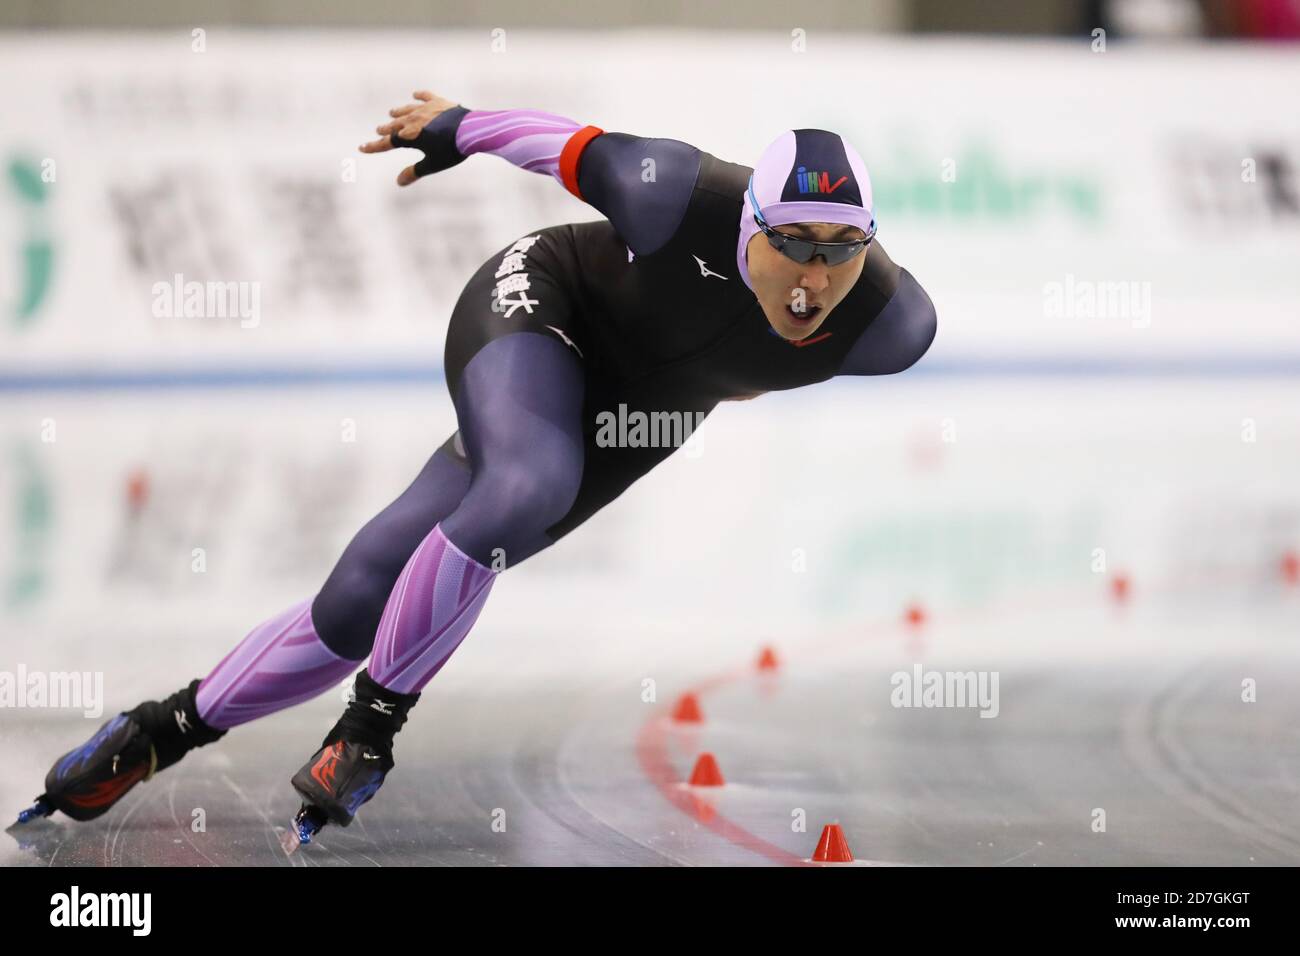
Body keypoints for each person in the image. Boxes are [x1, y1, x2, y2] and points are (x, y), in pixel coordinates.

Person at [19, 91, 938, 843]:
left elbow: (752, 356)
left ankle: (157, 731)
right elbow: (555, 142)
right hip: (543, 302)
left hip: (645, 410)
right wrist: (455, 126)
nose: (814, 278)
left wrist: (715, 383)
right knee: (524, 485)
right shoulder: (674, 190)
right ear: (750, 222)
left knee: (359, 598)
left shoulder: (892, 326)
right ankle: (371, 727)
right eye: (793, 246)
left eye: (840, 250)